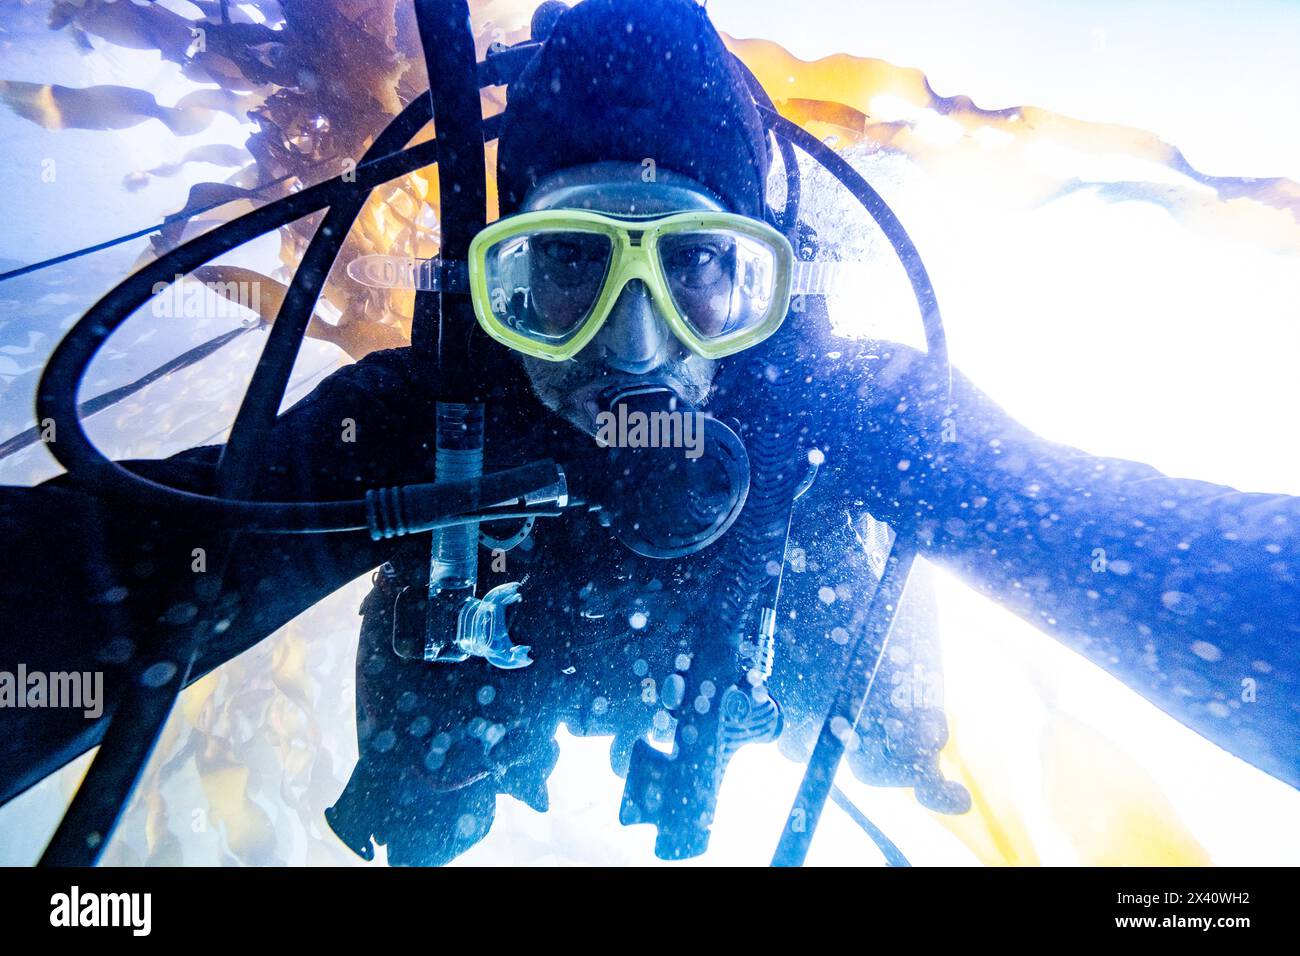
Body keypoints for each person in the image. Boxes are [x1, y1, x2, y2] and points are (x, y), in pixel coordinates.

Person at [2, 0, 1297, 865]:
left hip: (731, 689)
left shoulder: (848, 415)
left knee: (896, 733)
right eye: (564, 270)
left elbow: (1122, 539)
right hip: (503, 702)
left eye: (701, 274)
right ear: (494, 279)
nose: (634, 345)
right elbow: (96, 581)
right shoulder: (417, 428)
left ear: (773, 283)